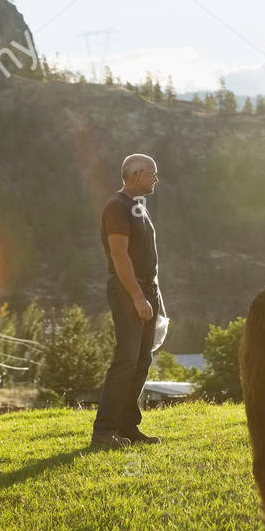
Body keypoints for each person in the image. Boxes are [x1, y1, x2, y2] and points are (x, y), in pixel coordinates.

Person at [92, 153, 165, 449]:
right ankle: (103, 433)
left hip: (148, 289)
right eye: (152, 173)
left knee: (142, 360)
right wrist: (137, 297)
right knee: (126, 360)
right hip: (127, 291)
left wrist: (152, 295)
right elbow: (119, 256)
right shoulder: (116, 207)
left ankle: (127, 427)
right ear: (137, 174)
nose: (156, 179)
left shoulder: (138, 207)